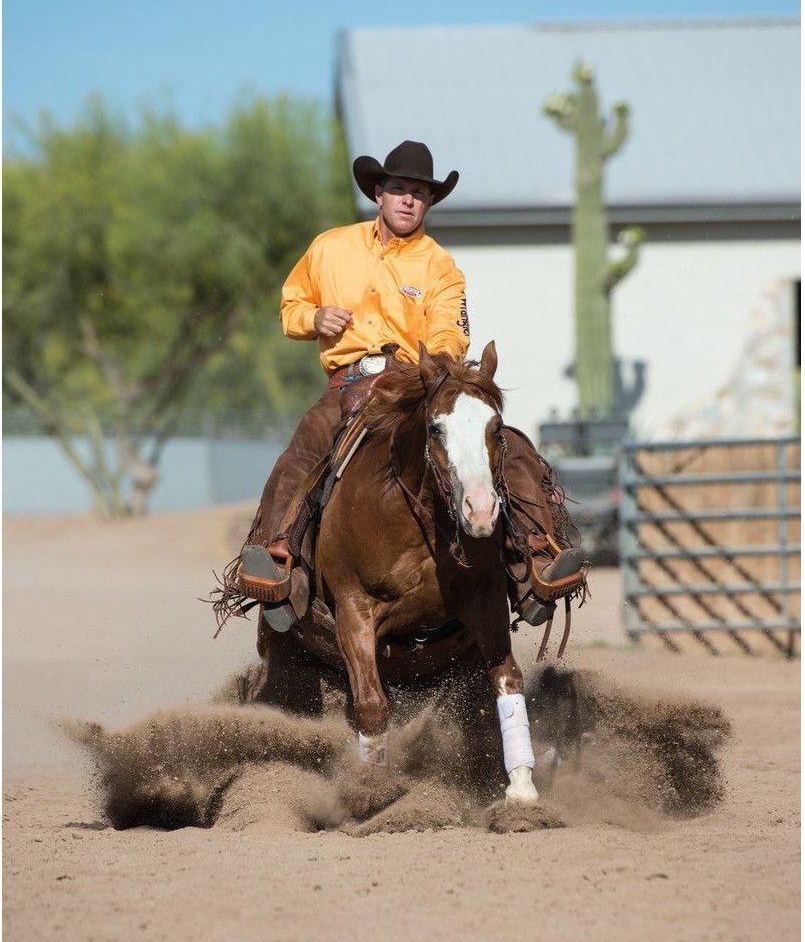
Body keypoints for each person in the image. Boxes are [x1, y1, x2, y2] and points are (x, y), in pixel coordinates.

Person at [233, 140, 587, 630]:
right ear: (378, 192)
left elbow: (450, 330)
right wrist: (314, 316)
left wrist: (436, 365)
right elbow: (290, 306)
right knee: (302, 451)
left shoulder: (440, 266)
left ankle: (536, 556)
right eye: (398, 189)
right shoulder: (329, 247)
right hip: (349, 384)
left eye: (418, 193)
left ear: (428, 202)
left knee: (506, 444)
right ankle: (277, 560)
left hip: (414, 384)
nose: (407, 200)